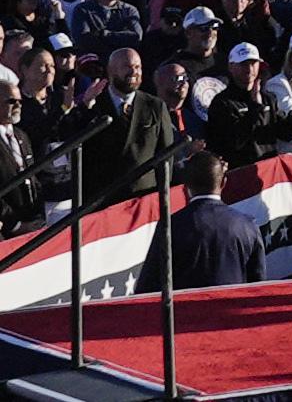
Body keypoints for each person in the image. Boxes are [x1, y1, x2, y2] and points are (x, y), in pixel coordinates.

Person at [138, 150, 262, 291]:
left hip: (184, 305)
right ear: (223, 183)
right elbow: (258, 287)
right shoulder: (247, 226)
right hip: (233, 304)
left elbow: (148, 286)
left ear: (186, 186)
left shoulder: (170, 226)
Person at [70, 46, 175, 204]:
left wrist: (162, 199)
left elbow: (166, 156)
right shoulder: (94, 103)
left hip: (143, 200)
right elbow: (73, 139)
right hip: (102, 200)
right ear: (111, 70)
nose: (134, 71)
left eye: (138, 67)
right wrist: (86, 106)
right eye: (127, 66)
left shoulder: (155, 106)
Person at [203, 43, 292, 169]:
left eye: (253, 63)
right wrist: (255, 108)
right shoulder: (222, 103)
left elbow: (285, 134)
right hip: (240, 173)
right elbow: (234, 142)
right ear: (231, 67)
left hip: (269, 171)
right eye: (243, 64)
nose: (249, 68)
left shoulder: (268, 98)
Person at [0, 76, 41, 234]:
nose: (18, 105)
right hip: (7, 230)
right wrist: (15, 225)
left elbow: (33, 176)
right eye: (11, 101)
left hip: (32, 220)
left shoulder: (21, 135)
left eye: (20, 101)